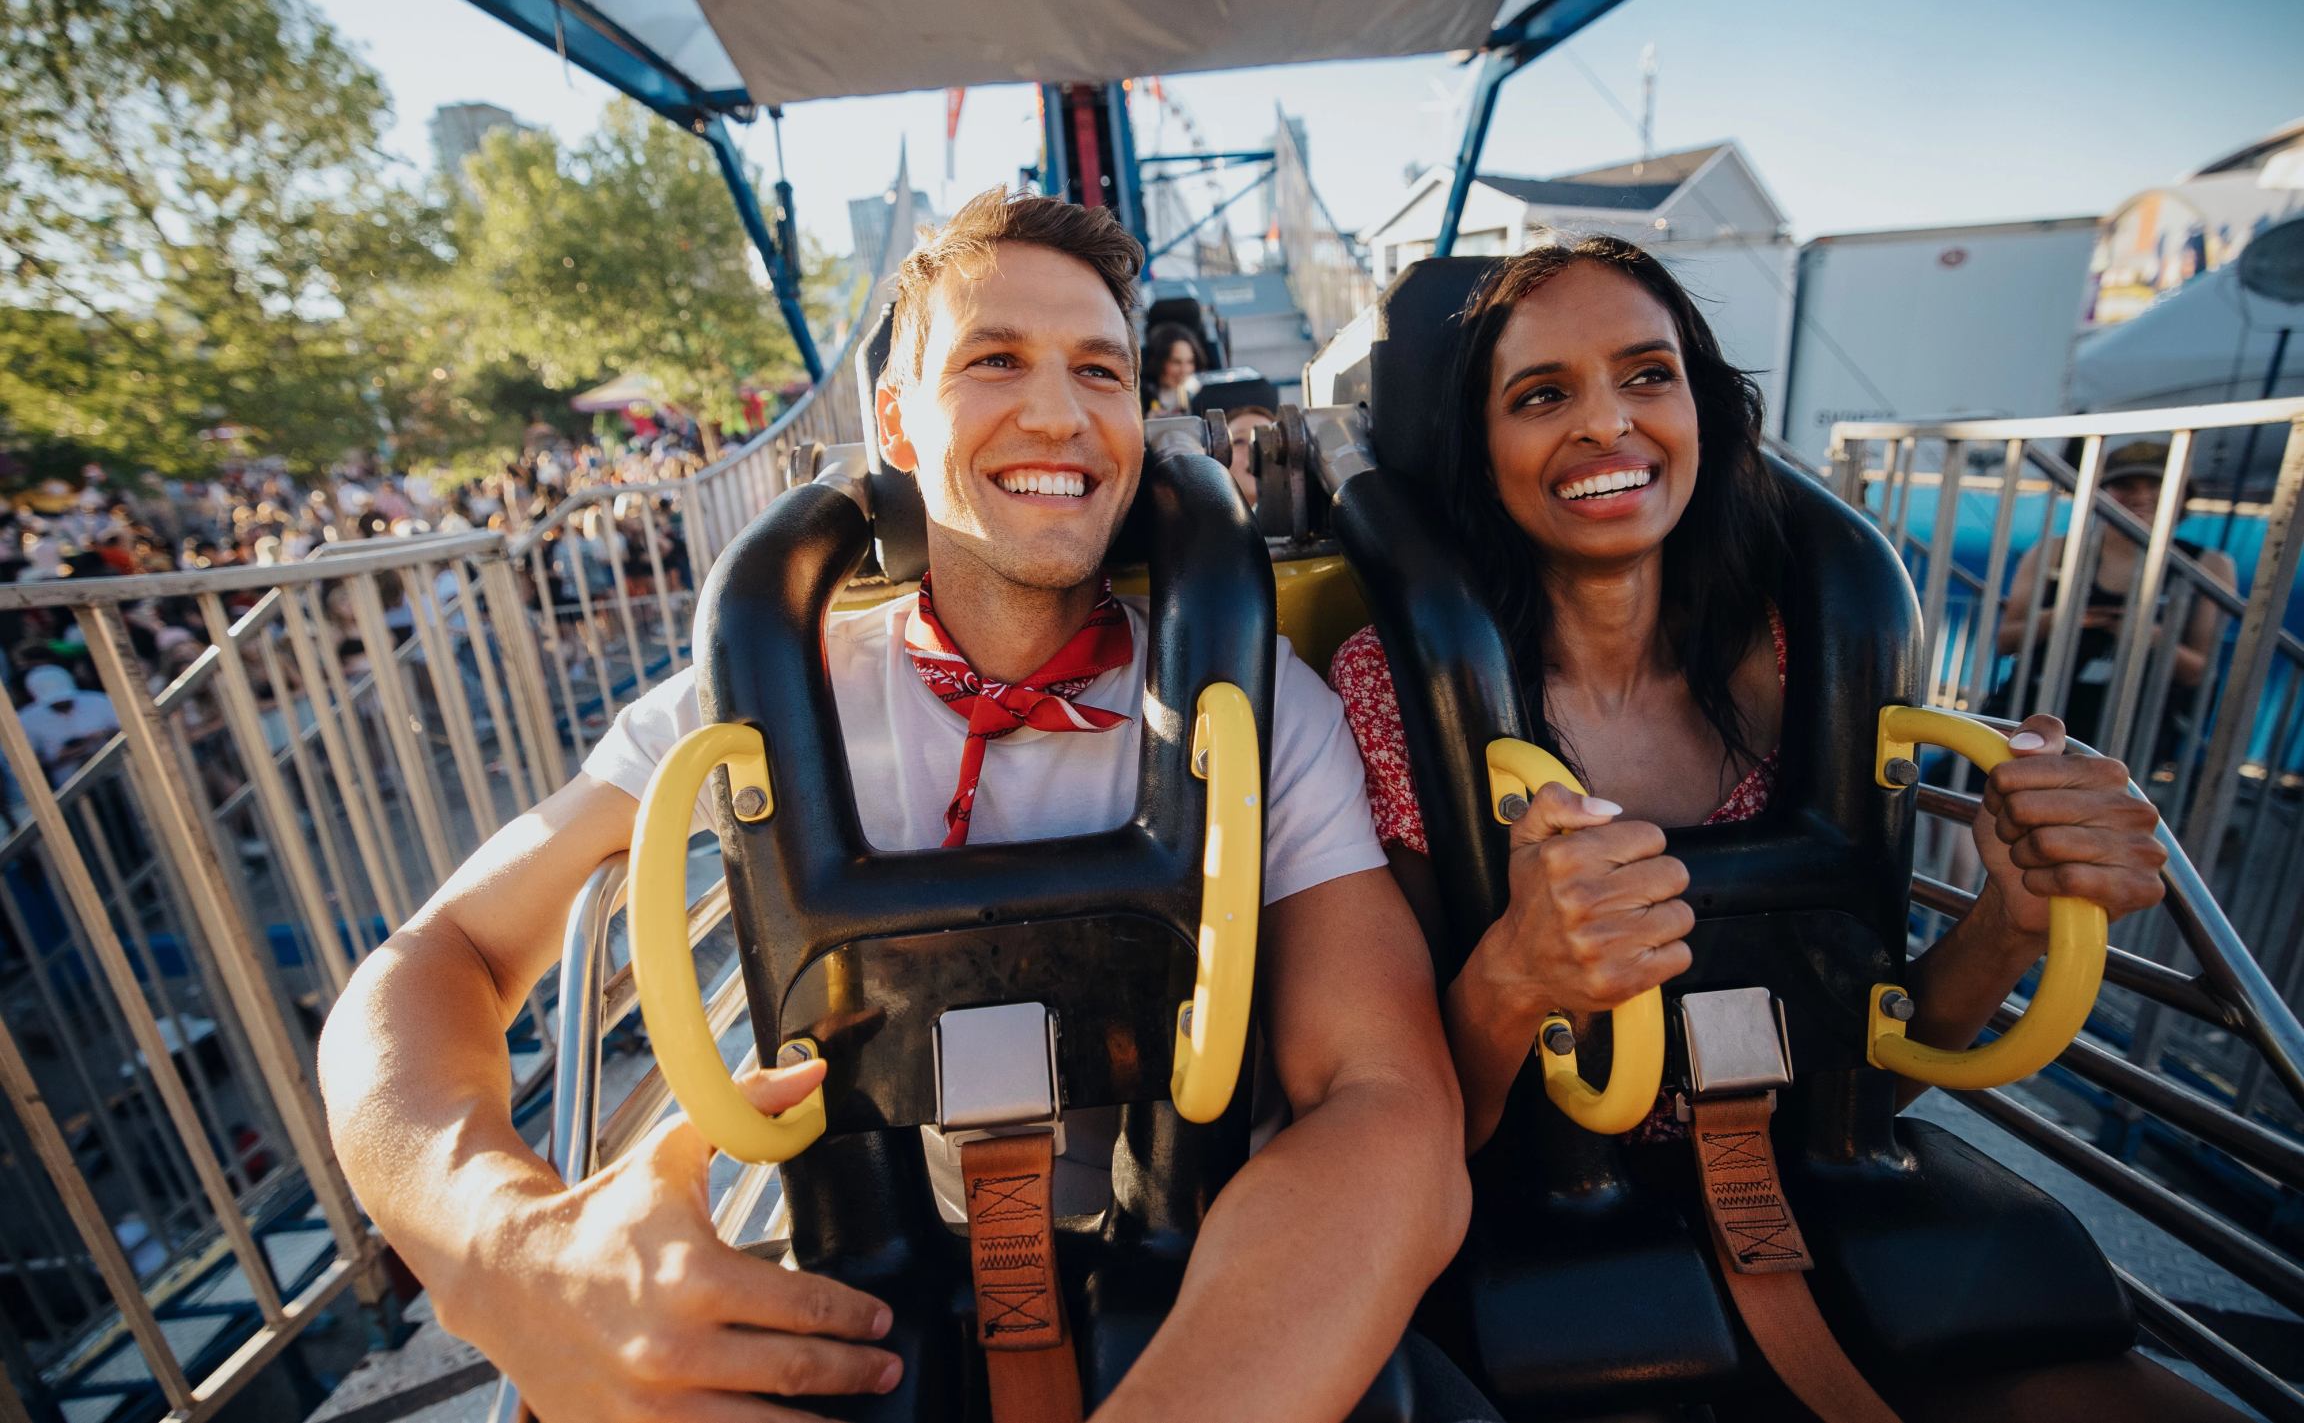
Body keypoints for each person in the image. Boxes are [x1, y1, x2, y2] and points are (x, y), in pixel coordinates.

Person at [317, 188, 1470, 1423]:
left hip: (1203, 1276)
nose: (1057, 410)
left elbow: (1385, 1095)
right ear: (897, 427)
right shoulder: (756, 706)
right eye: (994, 360)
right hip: (877, 1289)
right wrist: (506, 1248)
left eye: (1100, 369)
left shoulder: (1251, 705)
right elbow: (441, 955)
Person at [1327, 238, 2173, 1153]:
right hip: (1539, 1223)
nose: (1608, 424)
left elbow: (1868, 1081)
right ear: (1481, 452)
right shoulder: (1399, 687)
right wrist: (1515, 978)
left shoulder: (1815, 649)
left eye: (1648, 375)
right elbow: (1408, 1118)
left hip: (1793, 1193)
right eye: (1541, 395)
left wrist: (2011, 918)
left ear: (1702, 412)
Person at [1992, 439, 2235, 760]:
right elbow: (2005, 641)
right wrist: (2065, 618)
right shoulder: (2053, 552)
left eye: (2156, 485)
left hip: (2134, 732)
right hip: (2034, 714)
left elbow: (2199, 671)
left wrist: (2146, 635)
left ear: (2182, 495)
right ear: (2101, 494)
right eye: (2124, 484)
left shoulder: (2209, 565)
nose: (2141, 495)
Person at [16, 663, 120, 783]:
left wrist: (103, 734)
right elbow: (27, 763)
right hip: (70, 782)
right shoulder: (26, 719)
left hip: (115, 772)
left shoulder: (99, 701)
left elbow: (125, 729)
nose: (62, 704)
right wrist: (61, 756)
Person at [1140, 321, 1205, 418]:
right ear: (1159, 362)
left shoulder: (1200, 392)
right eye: (1176, 362)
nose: (1184, 370)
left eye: (1190, 362)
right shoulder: (1141, 395)